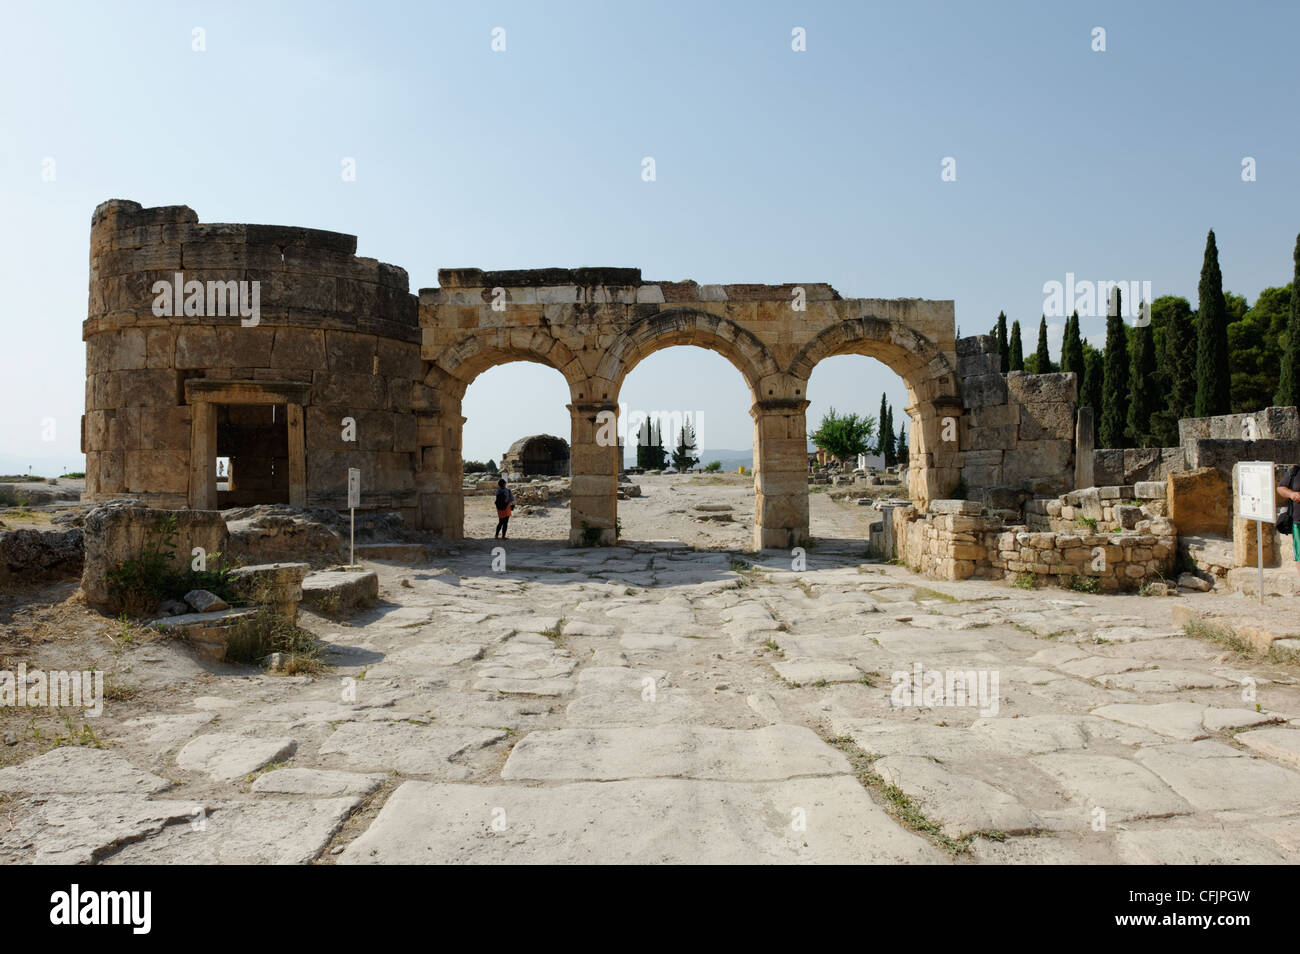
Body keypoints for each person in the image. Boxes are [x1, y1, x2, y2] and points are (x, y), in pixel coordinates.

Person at [1277, 464, 1300, 584]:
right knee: (1299, 553)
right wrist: (1292, 494)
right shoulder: (1295, 471)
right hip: (1298, 520)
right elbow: (1281, 488)